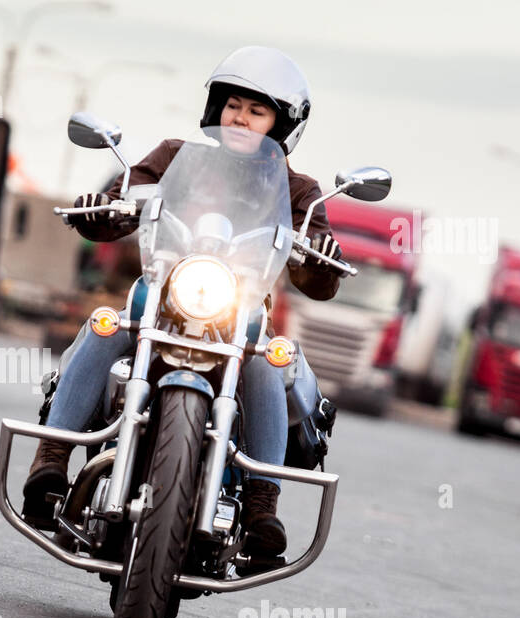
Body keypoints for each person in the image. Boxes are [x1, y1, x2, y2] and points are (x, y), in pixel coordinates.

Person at [22, 46, 347, 561]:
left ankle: (263, 504)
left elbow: (318, 275)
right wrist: (99, 210)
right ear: (216, 107)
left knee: (266, 359)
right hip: (167, 289)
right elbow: (123, 201)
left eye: (257, 110)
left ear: (281, 125)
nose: (241, 117)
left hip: (238, 306)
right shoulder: (176, 156)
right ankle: (51, 459)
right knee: (108, 323)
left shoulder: (297, 188)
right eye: (234, 104)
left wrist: (322, 258)